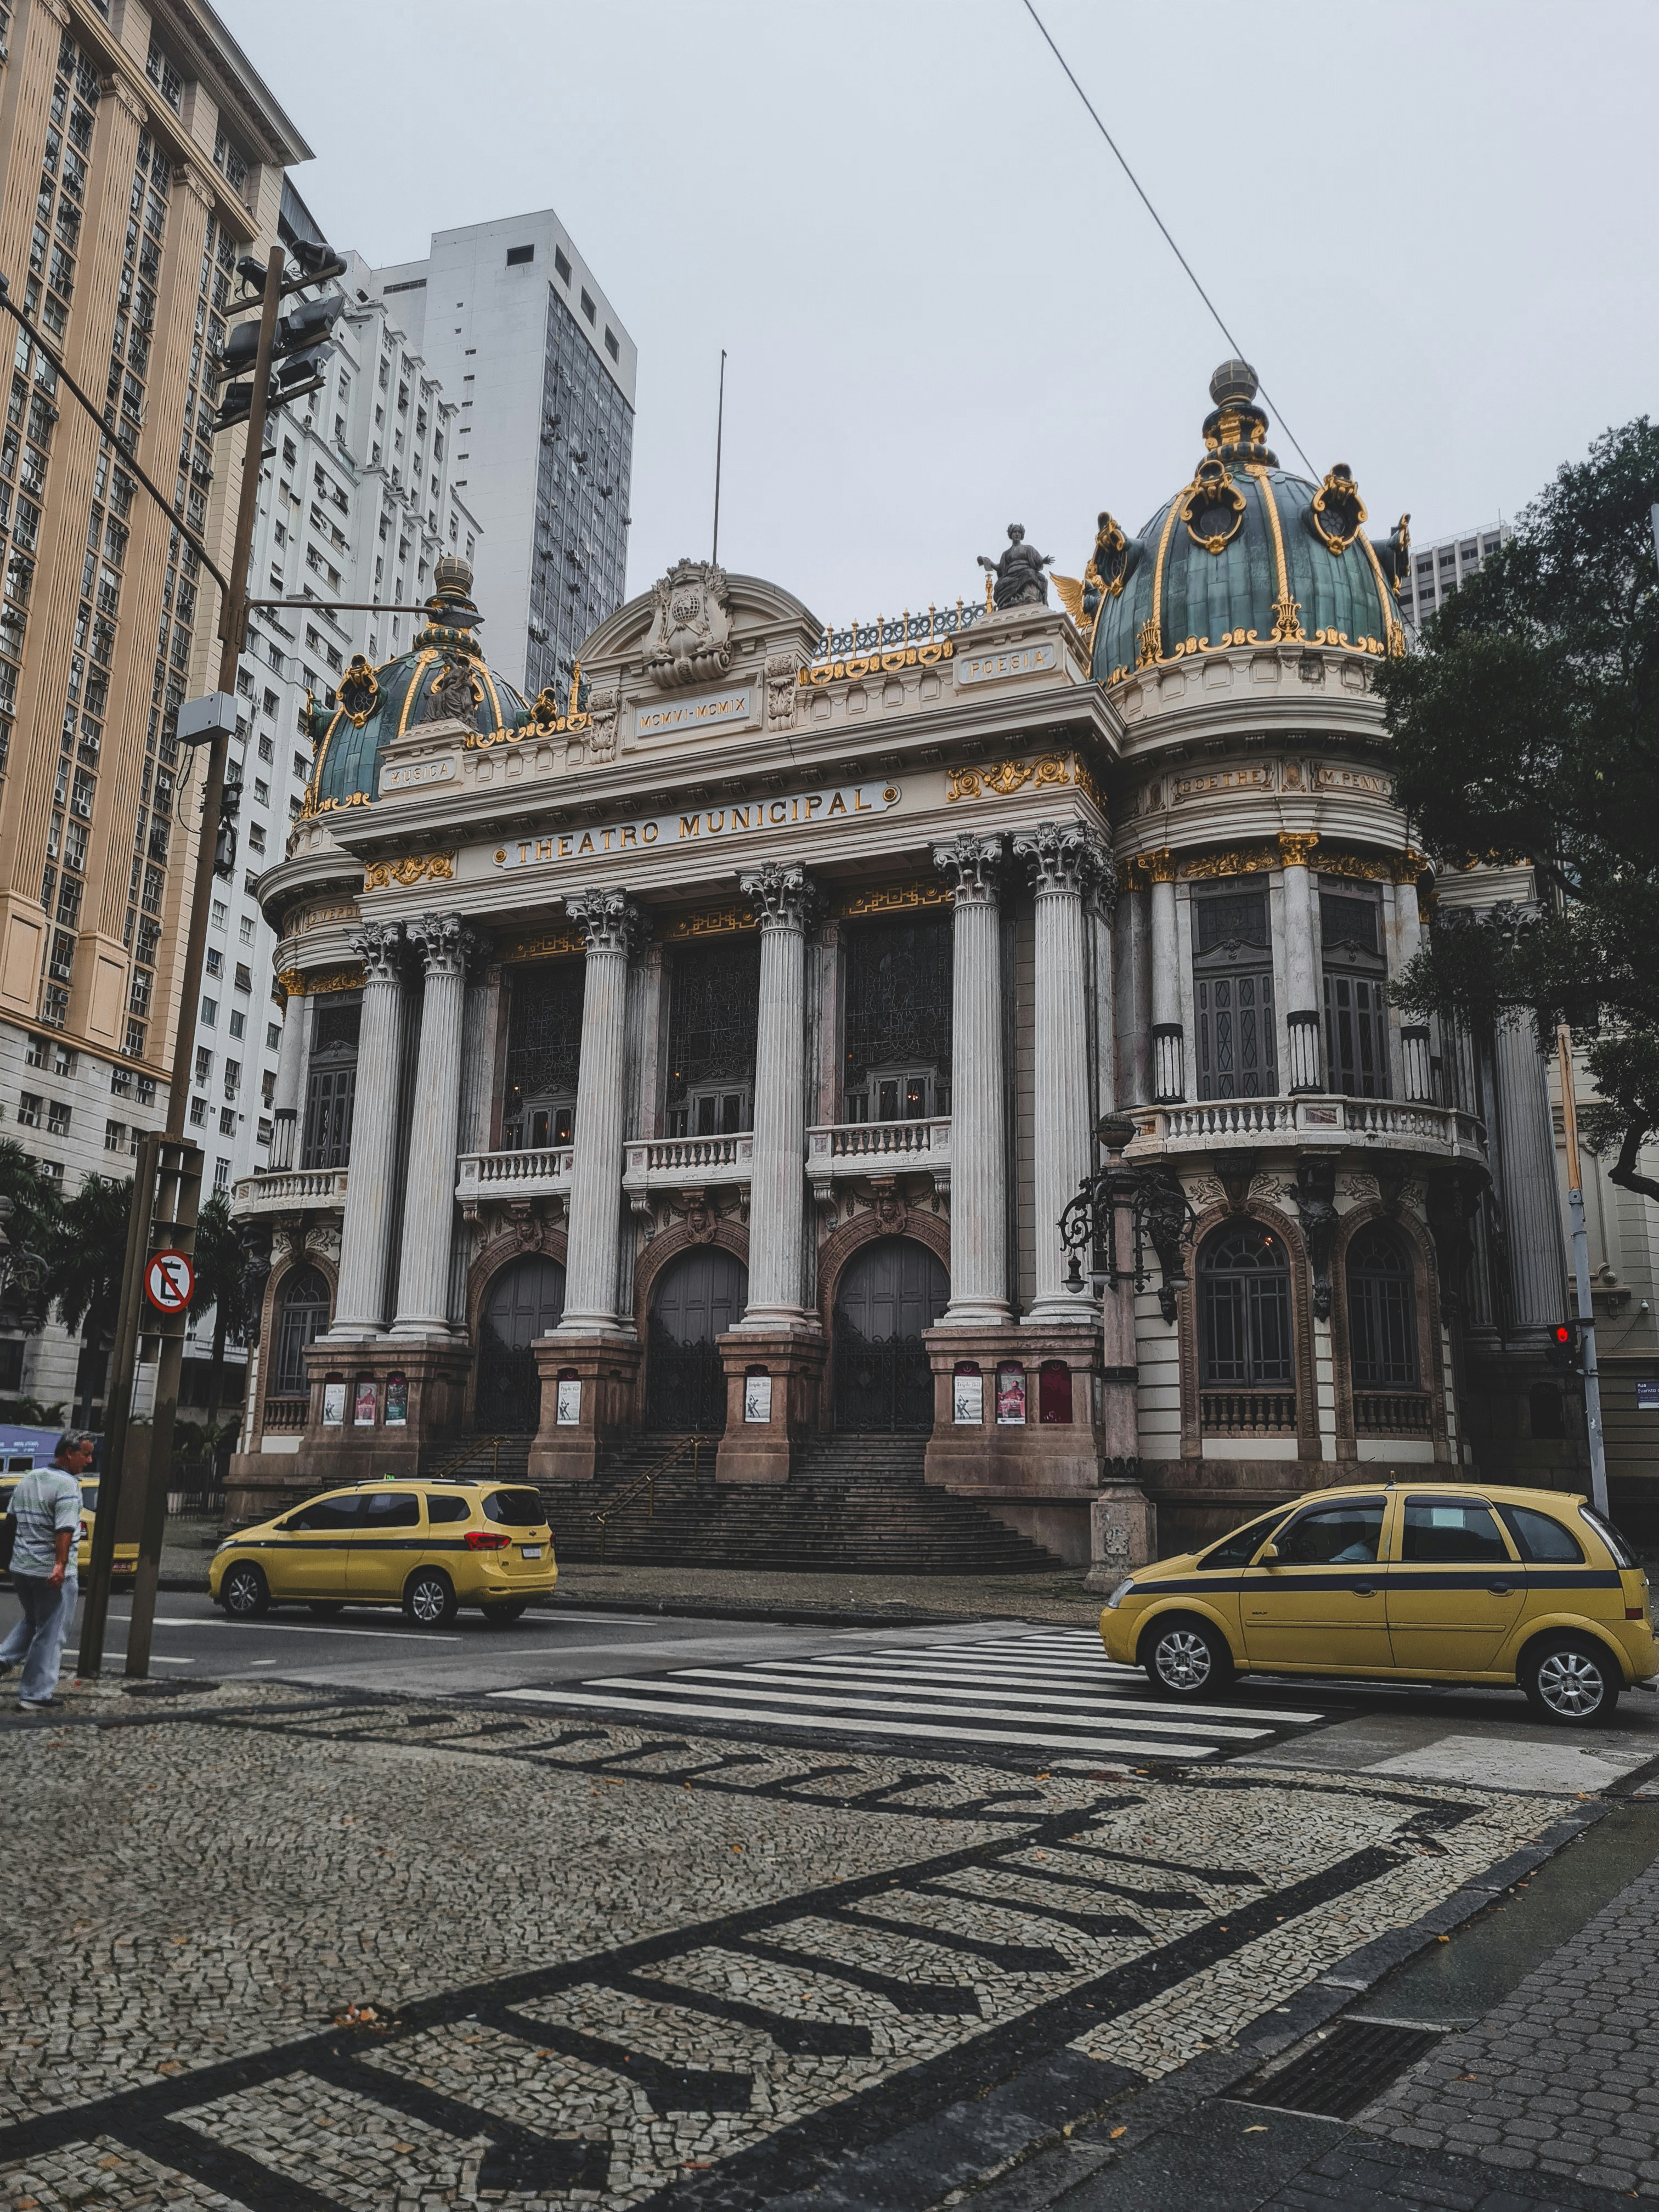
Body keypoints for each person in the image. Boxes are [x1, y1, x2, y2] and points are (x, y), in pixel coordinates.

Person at [0, 1430, 94, 1711]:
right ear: (69, 1453)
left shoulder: (30, 1478)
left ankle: (3, 1660)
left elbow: (12, 1522)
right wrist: (60, 1566)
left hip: (23, 1568)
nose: (89, 1460)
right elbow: (65, 1529)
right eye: (85, 1454)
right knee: (52, 1631)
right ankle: (36, 1694)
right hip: (50, 1572)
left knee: (33, 1620)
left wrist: (9, 1563)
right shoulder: (68, 1485)